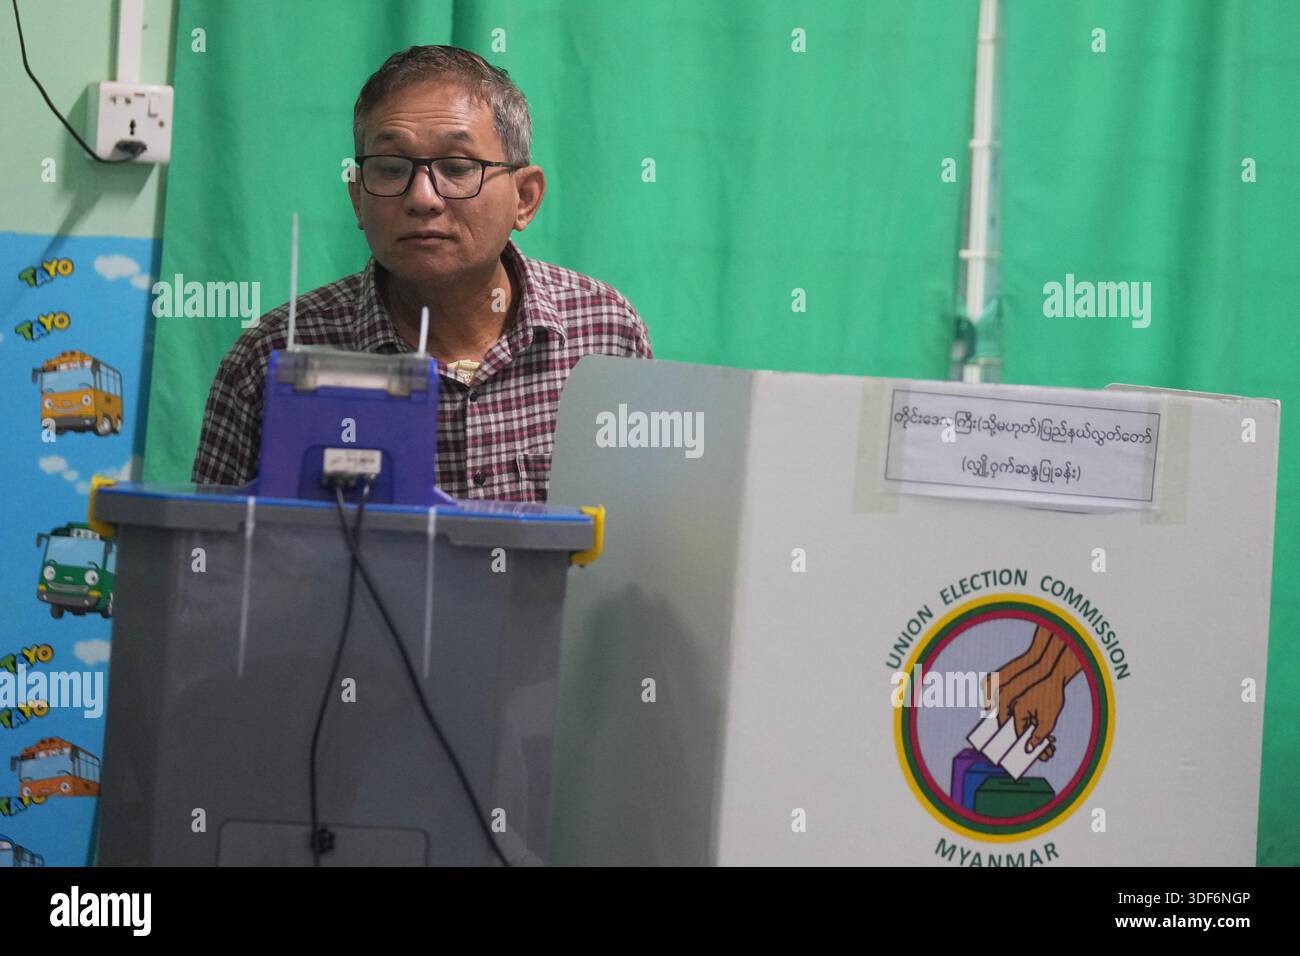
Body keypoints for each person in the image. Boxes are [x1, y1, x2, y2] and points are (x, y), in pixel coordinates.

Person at [192, 45, 652, 501]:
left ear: (525, 198)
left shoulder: (606, 337)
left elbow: (643, 538)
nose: (423, 197)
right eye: (391, 169)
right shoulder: (273, 355)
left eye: (457, 168)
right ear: (357, 198)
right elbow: (208, 556)